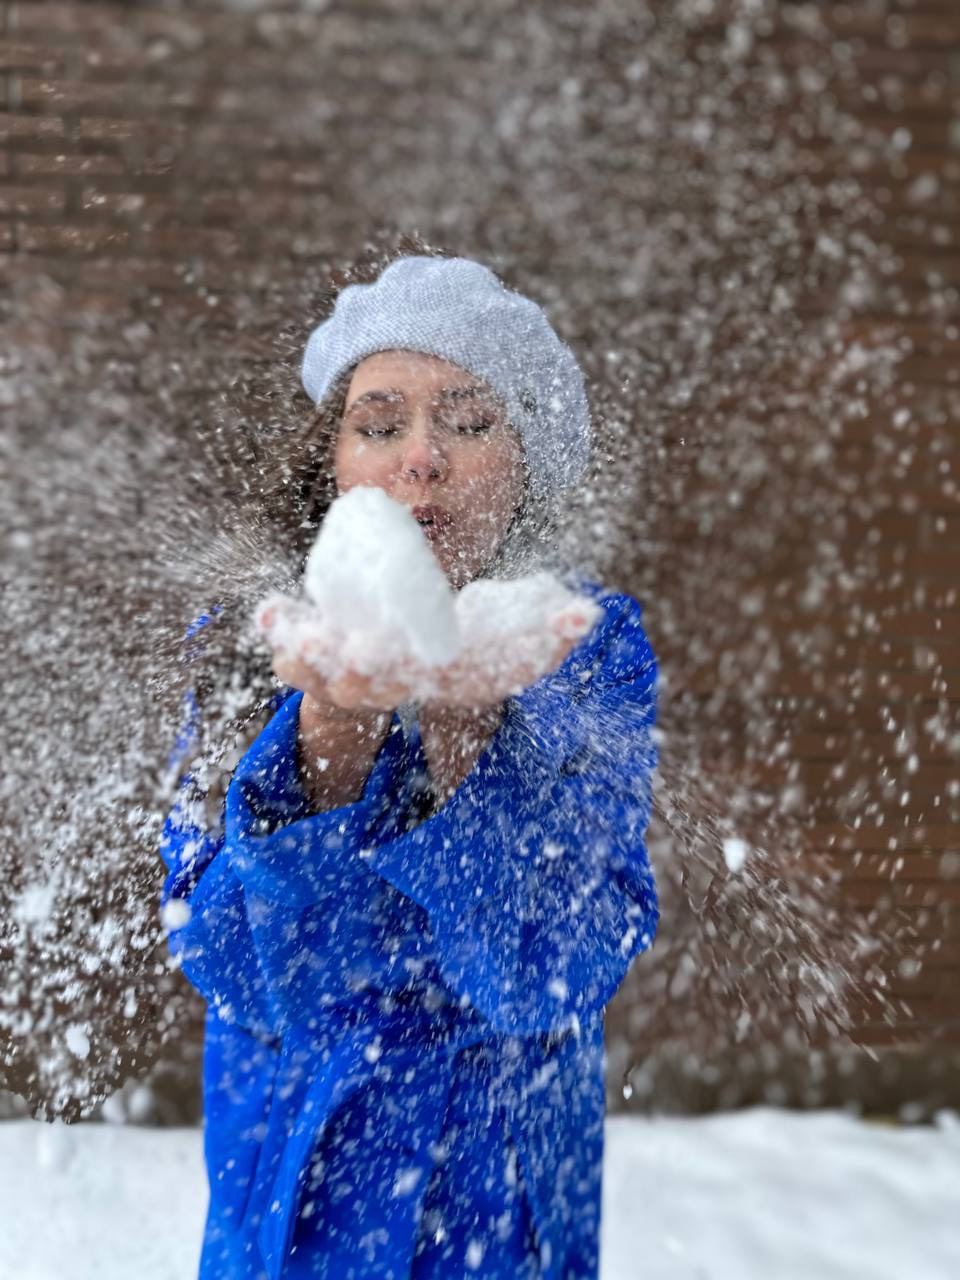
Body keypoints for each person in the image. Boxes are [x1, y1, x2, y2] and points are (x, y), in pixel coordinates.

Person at [159, 251, 660, 1279]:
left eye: (468, 422)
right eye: (379, 425)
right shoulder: (252, 642)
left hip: (500, 1211)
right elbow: (238, 972)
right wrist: (329, 739)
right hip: (297, 1208)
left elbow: (556, 970)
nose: (419, 457)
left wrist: (464, 736)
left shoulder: (589, 646)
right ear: (333, 462)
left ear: (528, 464)